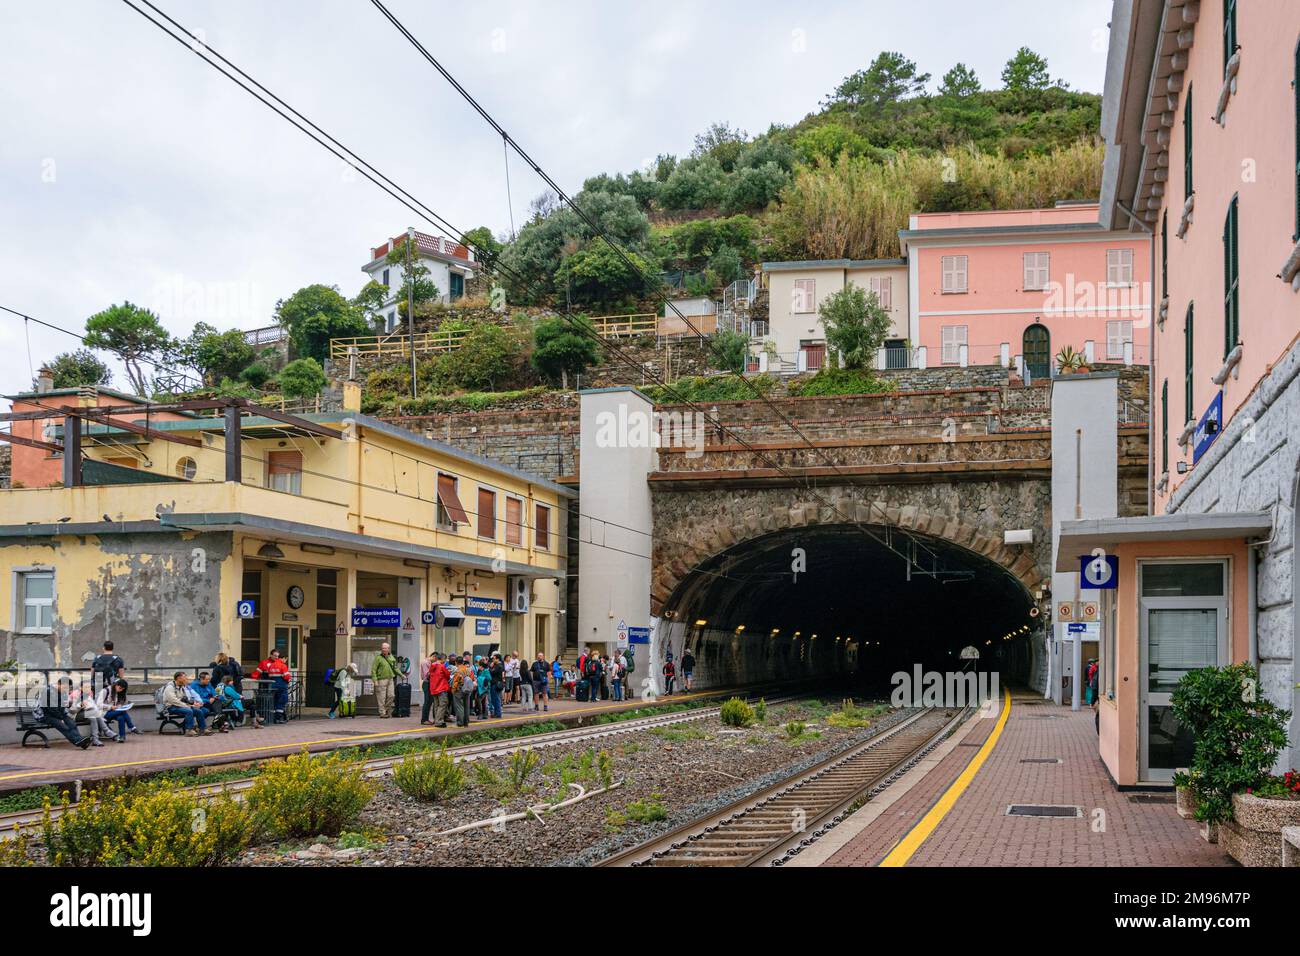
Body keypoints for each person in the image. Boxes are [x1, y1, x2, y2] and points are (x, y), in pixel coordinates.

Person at [34, 678, 90, 749]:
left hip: (57, 713)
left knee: (71, 723)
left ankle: (81, 741)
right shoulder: (48, 691)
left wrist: (64, 715)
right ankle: (77, 741)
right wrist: (60, 718)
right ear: (59, 684)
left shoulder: (63, 692)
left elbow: (63, 707)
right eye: (64, 687)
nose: (66, 689)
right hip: (43, 715)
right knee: (63, 726)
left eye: (67, 687)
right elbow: (50, 708)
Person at [163, 672, 211, 736]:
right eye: (184, 677)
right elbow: (173, 701)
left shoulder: (181, 687)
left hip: (180, 706)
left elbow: (185, 699)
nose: (186, 679)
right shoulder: (170, 687)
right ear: (179, 678)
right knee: (189, 711)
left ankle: (202, 729)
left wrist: (194, 704)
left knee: (198, 711)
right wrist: (187, 706)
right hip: (170, 707)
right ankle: (189, 730)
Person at [253, 649, 292, 723]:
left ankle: (273, 717)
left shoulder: (271, 666)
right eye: (275, 655)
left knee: (273, 702)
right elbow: (287, 677)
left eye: (277, 656)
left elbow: (261, 674)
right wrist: (289, 680)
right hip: (281, 686)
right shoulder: (282, 665)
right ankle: (277, 718)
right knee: (281, 701)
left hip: (270, 686)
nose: (276, 657)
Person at [74, 681, 113, 746]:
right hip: (76, 715)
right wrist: (80, 705)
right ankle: (107, 731)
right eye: (86, 687)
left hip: (87, 714)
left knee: (93, 718)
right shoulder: (76, 695)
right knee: (93, 713)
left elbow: (94, 707)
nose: (88, 689)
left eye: (89, 687)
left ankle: (95, 739)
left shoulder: (87, 695)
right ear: (80, 688)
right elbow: (73, 710)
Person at [371, 642, 401, 718]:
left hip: (390, 679)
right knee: (381, 697)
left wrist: (401, 674)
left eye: (385, 648)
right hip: (381, 680)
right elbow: (373, 670)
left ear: (388, 649)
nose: (384, 649)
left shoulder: (391, 657)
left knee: (391, 696)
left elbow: (395, 668)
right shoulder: (378, 658)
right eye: (383, 648)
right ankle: (382, 713)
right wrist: (375, 680)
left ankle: (386, 709)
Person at [427, 652, 450, 727]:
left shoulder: (432, 666)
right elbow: (447, 675)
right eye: (445, 659)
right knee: (442, 704)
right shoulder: (441, 666)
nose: (446, 661)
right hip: (441, 688)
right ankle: (439, 721)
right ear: (443, 659)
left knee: (436, 705)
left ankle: (436, 720)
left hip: (433, 688)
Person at [450, 655, 474, 727]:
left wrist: (453, 689)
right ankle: (466, 722)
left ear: (456, 662)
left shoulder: (458, 670)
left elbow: (456, 681)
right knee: (466, 705)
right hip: (467, 689)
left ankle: (460, 722)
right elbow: (472, 678)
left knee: (459, 706)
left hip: (459, 689)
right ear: (463, 662)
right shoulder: (468, 669)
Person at [419, 653, 437, 725]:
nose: (435, 661)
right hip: (427, 683)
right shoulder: (425, 662)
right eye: (435, 659)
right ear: (433, 656)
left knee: (430, 702)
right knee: (427, 701)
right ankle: (424, 719)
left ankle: (426, 719)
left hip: (430, 683)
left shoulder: (430, 663)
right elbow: (427, 674)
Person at [489, 654, 504, 719]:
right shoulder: (497, 665)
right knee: (494, 699)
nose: (493, 660)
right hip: (494, 684)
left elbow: (492, 672)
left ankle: (498, 713)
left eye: (494, 658)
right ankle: (496, 713)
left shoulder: (499, 666)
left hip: (496, 684)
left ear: (498, 659)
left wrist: (490, 667)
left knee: (496, 699)